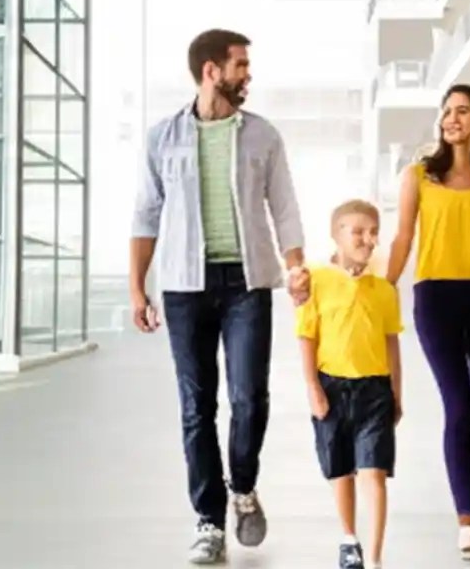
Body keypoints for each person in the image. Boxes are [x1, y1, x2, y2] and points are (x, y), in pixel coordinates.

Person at [129, 28, 311, 564]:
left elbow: (285, 209)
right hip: (185, 288)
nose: (247, 75)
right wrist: (137, 287)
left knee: (249, 397)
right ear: (212, 71)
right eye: (240, 66)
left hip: (247, 284)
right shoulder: (162, 138)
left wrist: (296, 267)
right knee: (196, 406)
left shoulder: (263, 136)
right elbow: (145, 214)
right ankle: (208, 520)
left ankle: (244, 487)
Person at [384, 84, 470, 560]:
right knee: (459, 407)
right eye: (446, 111)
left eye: (462, 111)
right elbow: (401, 239)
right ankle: (465, 516)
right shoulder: (419, 175)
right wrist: (384, 288)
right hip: (435, 297)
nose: (451, 119)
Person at [296, 200, 403, 569]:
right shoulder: (318, 281)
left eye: (373, 231)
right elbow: (307, 336)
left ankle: (374, 558)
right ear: (336, 234)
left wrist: (396, 393)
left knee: (374, 473)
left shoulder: (384, 289)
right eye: (357, 231)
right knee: (340, 469)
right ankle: (349, 539)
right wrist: (312, 387)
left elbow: (392, 342)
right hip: (331, 387)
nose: (367, 239)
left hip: (375, 390)